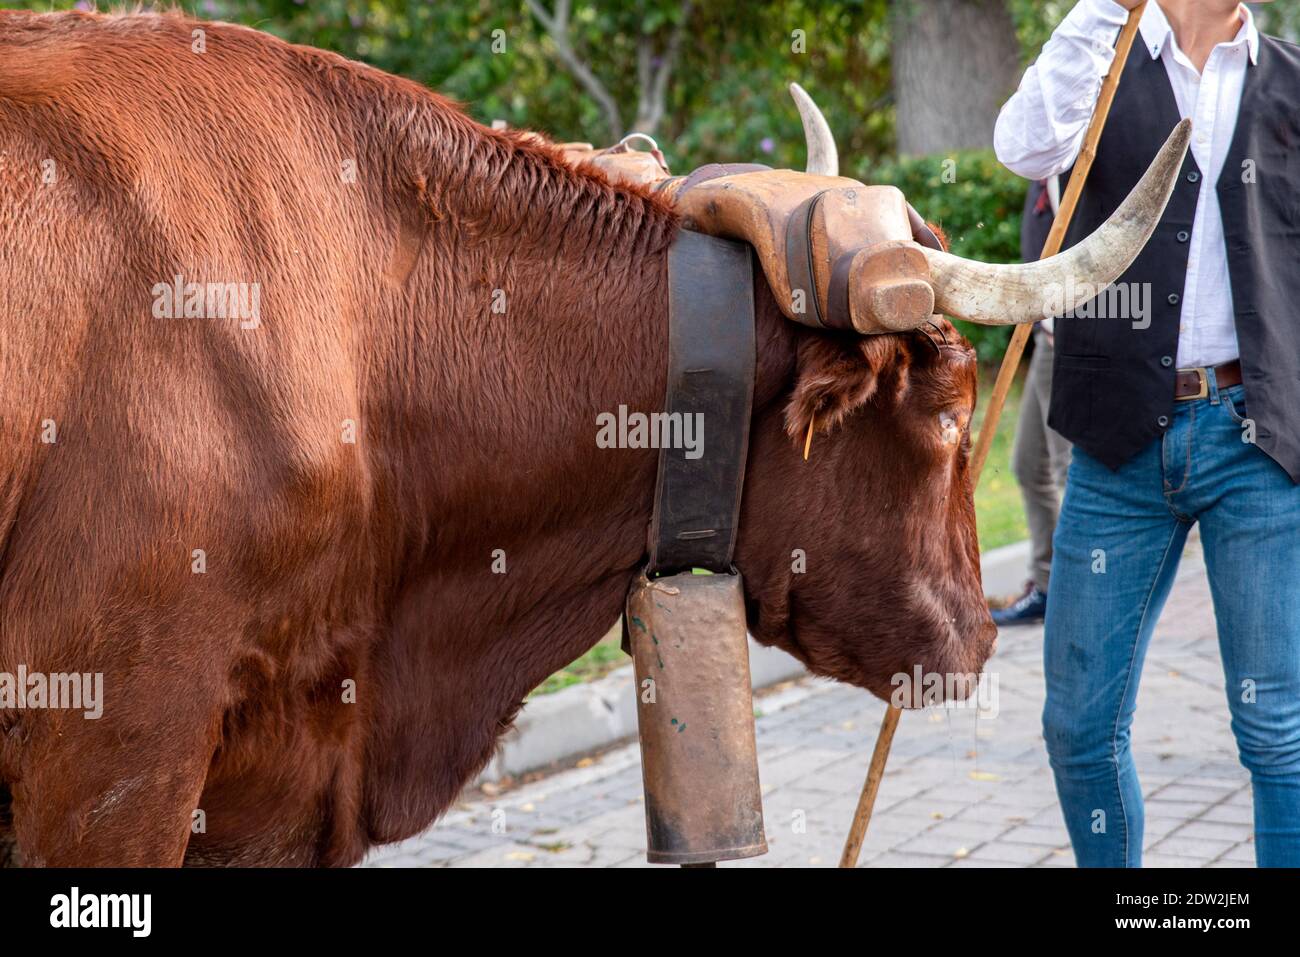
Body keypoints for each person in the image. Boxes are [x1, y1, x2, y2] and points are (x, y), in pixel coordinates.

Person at [995, 0, 1299, 867]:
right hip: (1118, 438)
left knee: (1277, 730)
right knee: (1078, 727)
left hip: (1259, 442)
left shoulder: (1290, 79)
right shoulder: (1102, 61)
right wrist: (1101, 10)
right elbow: (1022, 148)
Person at [991, 178, 1073, 627]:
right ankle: (1047, 583)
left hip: (1068, 338)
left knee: (1067, 469)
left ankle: (1080, 589)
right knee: (1028, 465)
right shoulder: (1045, 159)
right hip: (1047, 334)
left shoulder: (1075, 155)